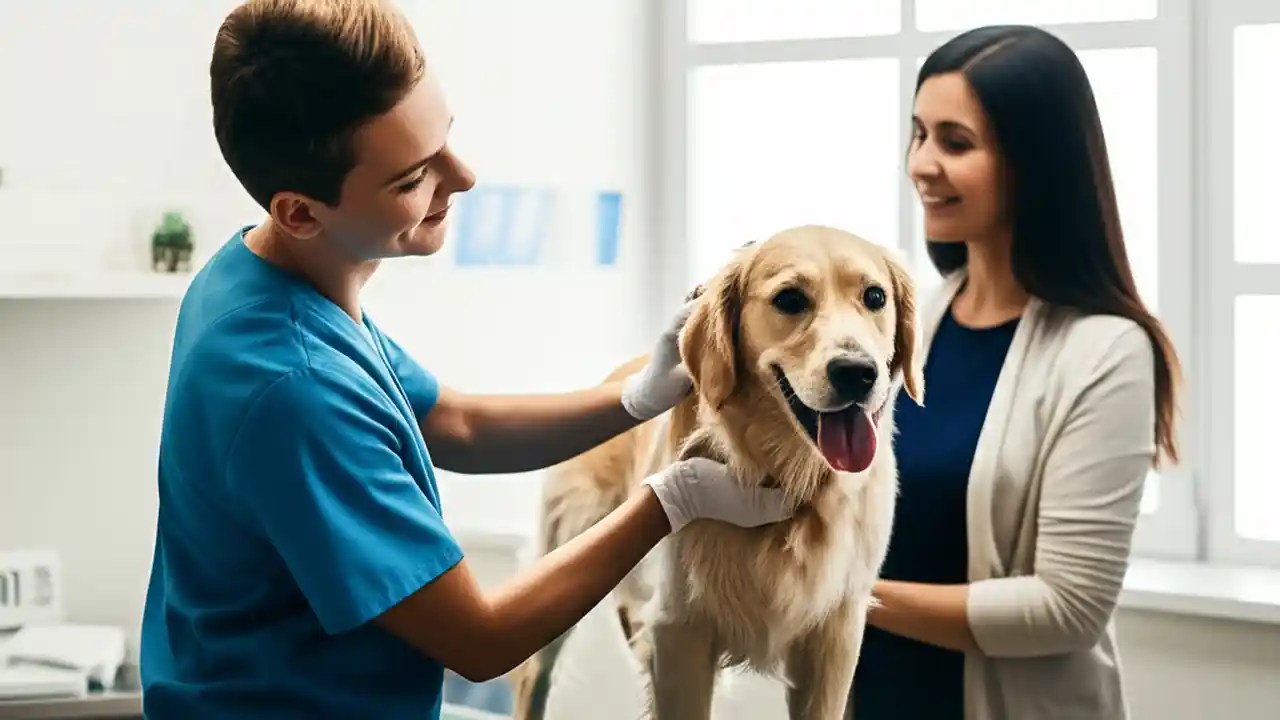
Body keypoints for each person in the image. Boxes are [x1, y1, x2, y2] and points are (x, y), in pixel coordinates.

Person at [136, 1, 793, 718]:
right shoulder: (291, 386)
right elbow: (480, 641)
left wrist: (636, 397)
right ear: (301, 211)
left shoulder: (260, 273)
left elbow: (453, 422)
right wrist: (672, 500)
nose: (464, 177)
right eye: (414, 176)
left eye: (445, 136)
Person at [847, 24, 1183, 720]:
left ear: (1036, 163)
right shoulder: (910, 321)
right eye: (918, 134)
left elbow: (1064, 609)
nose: (921, 163)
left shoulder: (1106, 352)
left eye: (955, 142)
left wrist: (841, 595)